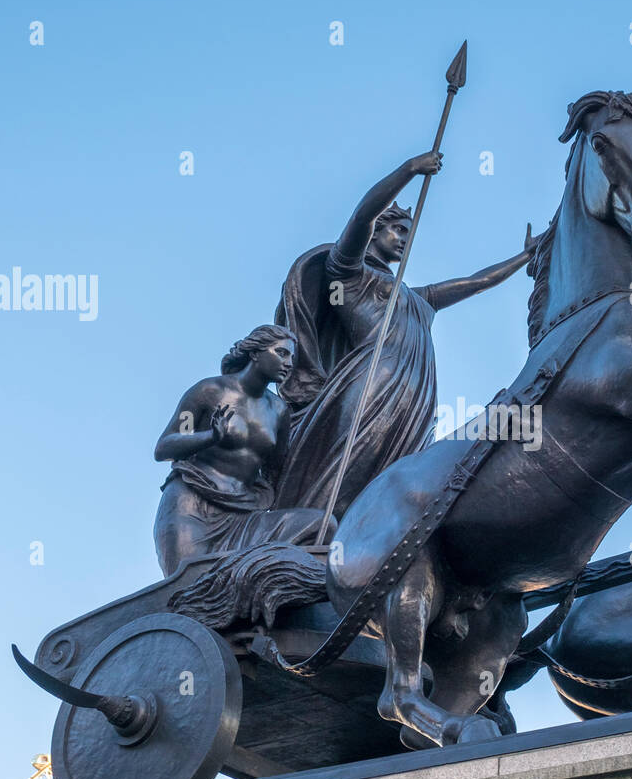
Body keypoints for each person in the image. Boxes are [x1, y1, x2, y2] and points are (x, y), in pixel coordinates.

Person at [274, 150, 540, 520]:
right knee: (349, 465)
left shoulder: (419, 299)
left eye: (409, 233)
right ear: (377, 231)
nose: (404, 239)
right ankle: (314, 530)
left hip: (416, 397)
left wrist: (525, 256)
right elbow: (361, 215)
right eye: (398, 229)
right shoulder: (348, 273)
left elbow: (478, 282)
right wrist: (409, 170)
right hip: (371, 386)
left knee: (396, 479)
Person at [152, 324, 333, 576]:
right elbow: (163, 448)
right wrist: (210, 437)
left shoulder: (279, 411)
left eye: (292, 356)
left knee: (323, 525)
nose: (289, 363)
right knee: (189, 586)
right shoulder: (208, 391)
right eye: (282, 353)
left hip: (245, 516)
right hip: (192, 507)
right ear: (255, 353)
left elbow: (278, 470)